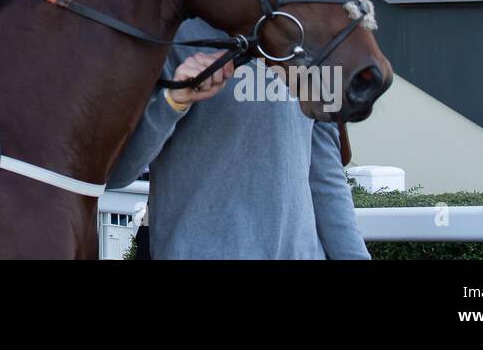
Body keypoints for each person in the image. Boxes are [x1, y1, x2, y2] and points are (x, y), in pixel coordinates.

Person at [107, 21, 369, 260]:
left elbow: (325, 177)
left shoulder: (316, 44)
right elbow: (118, 173)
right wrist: (174, 101)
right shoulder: (173, 35)